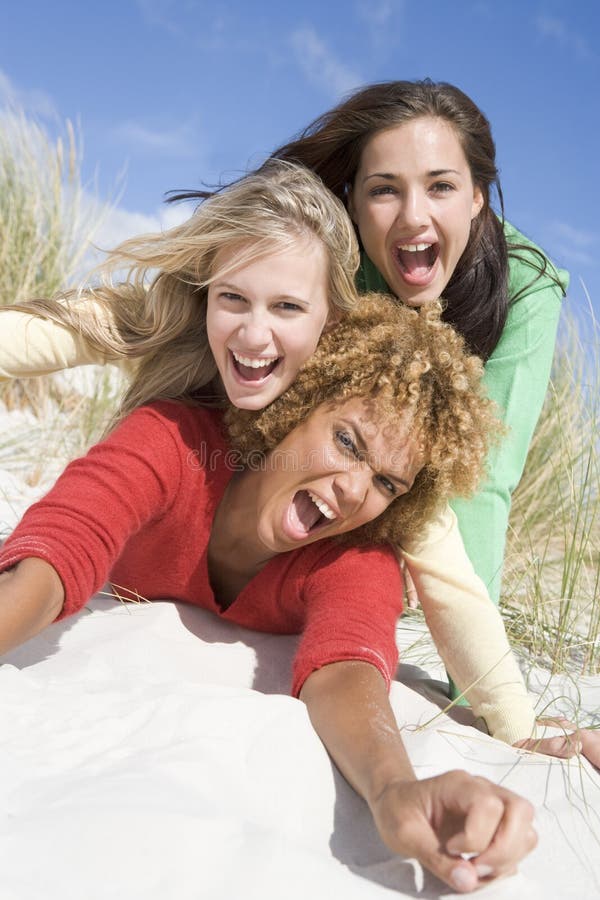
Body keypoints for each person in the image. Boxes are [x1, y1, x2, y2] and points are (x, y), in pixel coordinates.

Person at [0, 159, 578, 747]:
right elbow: (62, 337)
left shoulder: (365, 424)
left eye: (287, 308)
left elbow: (449, 581)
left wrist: (516, 727)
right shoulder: (179, 383)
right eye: (232, 298)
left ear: (332, 324)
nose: (254, 336)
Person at [0, 293, 537, 893]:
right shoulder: (173, 442)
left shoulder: (355, 554)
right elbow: (55, 560)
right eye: (348, 442)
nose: (356, 488)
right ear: (296, 402)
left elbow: (347, 665)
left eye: (388, 482)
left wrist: (395, 791)